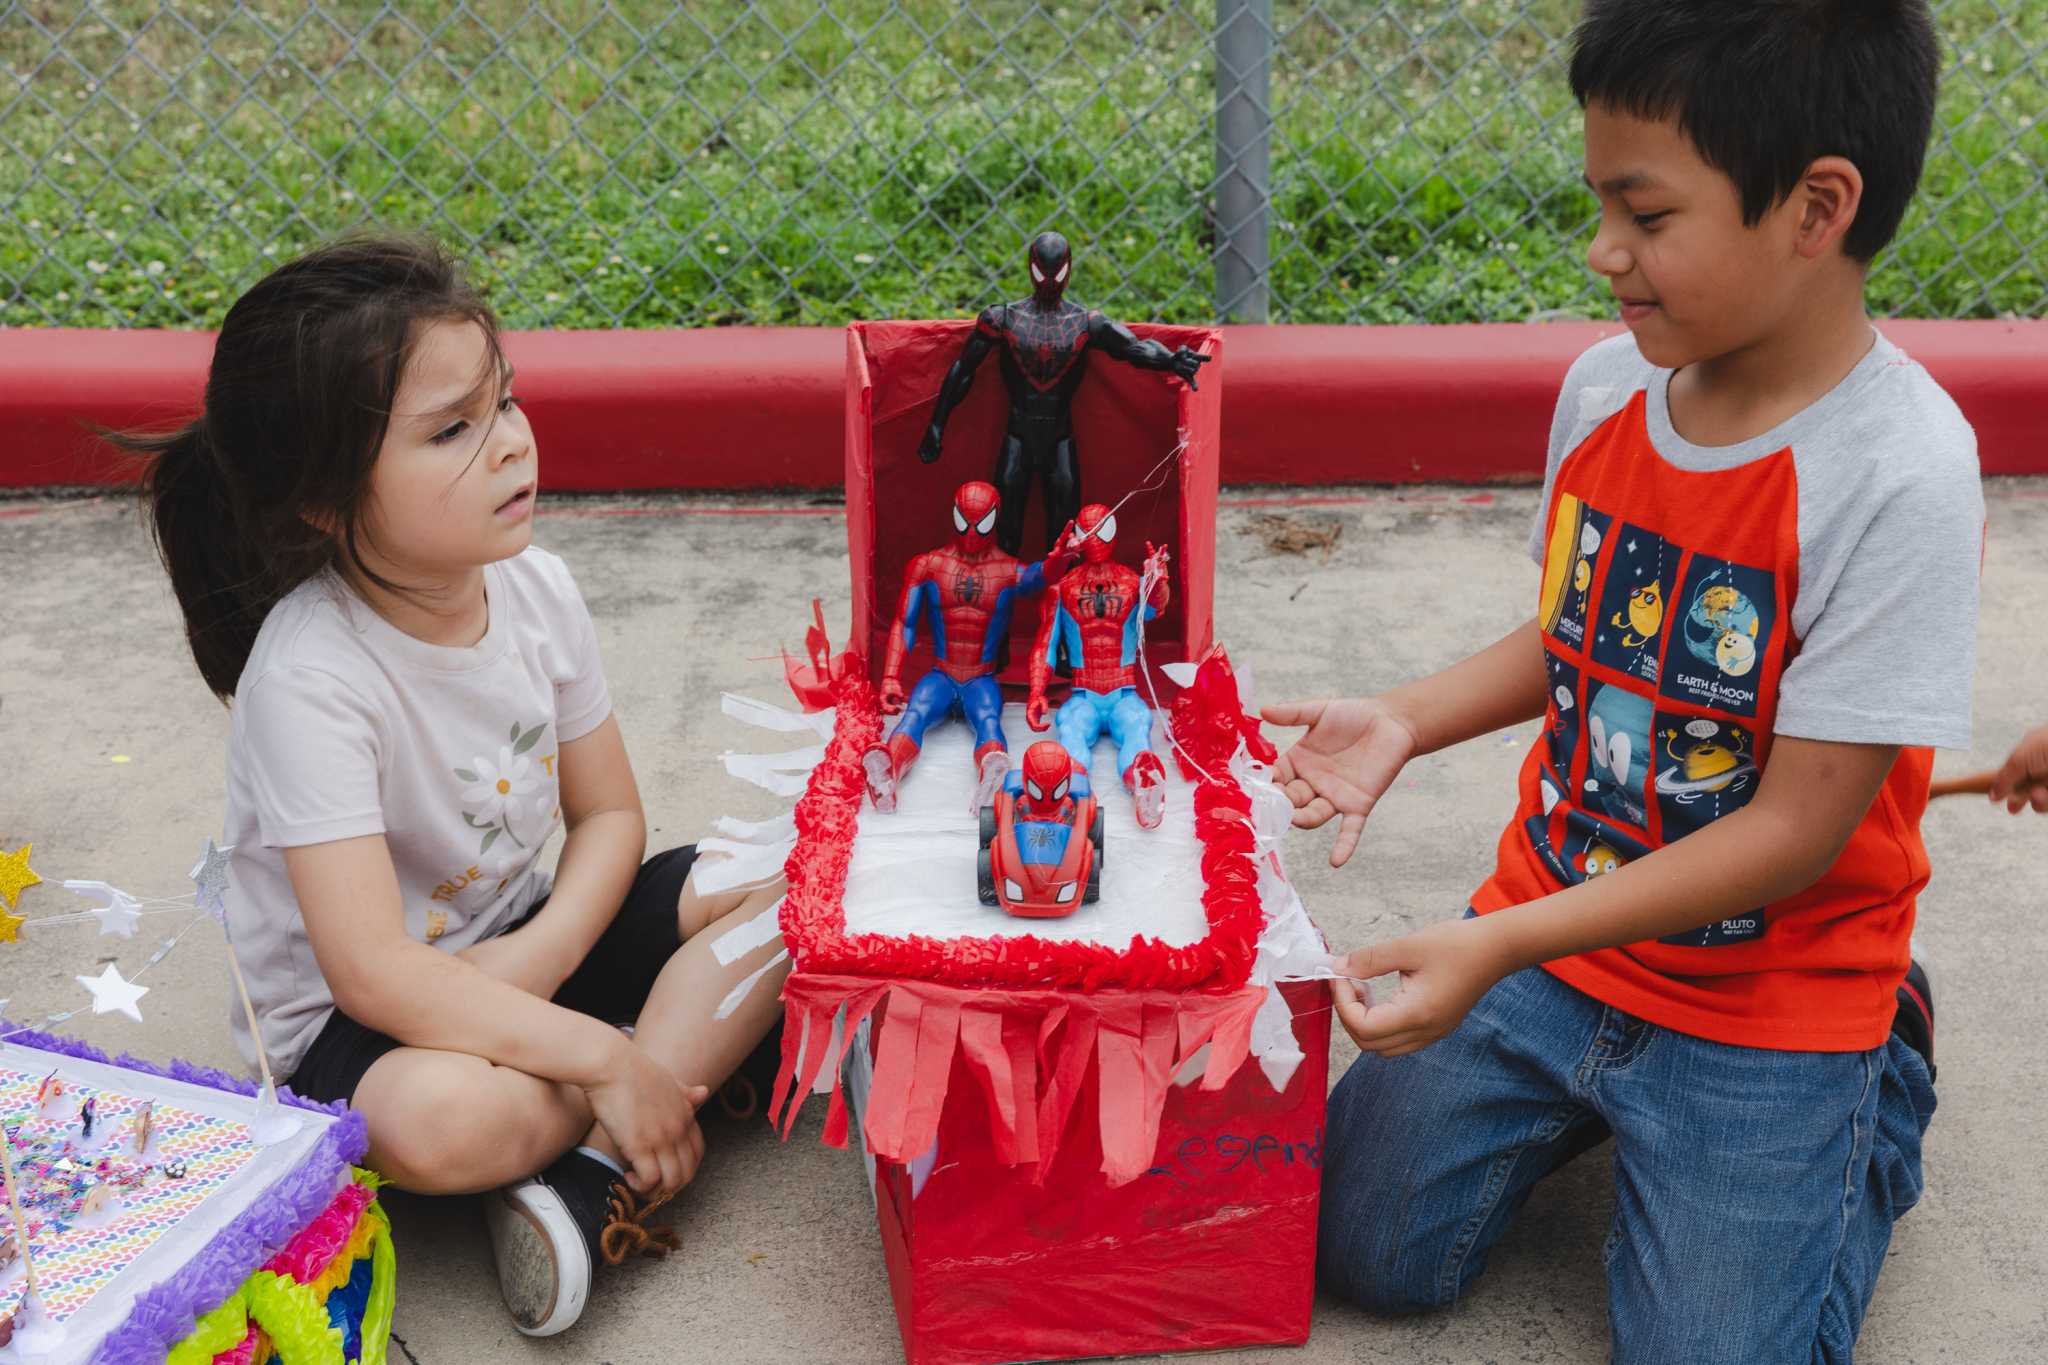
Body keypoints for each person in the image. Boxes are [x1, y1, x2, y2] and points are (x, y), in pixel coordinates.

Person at [1271, 3, 1981, 1358]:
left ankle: (1873, 1088)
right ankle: (1606, 1109)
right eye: (1602, 206)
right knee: (1358, 1242)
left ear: (1817, 206)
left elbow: (1795, 829)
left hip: (1772, 997)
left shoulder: (1901, 473)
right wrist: (1410, 717)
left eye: (1646, 217)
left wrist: (1495, 946)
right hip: (1559, 932)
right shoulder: (1610, 389)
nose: (1605, 253)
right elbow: (1580, 634)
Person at [114, 234, 788, 1339]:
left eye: (504, 401)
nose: (511, 446)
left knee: (786, 884)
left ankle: (590, 1168)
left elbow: (611, 813)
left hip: (527, 937)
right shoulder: (312, 677)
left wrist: (541, 970)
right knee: (443, 1125)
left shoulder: (535, 588)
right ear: (325, 504)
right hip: (365, 1027)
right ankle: (673, 1071)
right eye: (452, 431)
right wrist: (601, 1045)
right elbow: (374, 973)